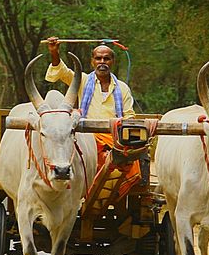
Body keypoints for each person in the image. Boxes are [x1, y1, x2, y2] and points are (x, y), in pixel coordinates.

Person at [44, 37, 143, 193]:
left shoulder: (122, 88)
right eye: (98, 58)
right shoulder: (82, 80)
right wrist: (54, 52)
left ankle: (114, 192)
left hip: (114, 138)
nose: (102, 62)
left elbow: (129, 116)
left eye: (106, 58)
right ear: (92, 62)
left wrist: (121, 131)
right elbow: (62, 72)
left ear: (112, 62)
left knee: (130, 158)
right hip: (87, 138)